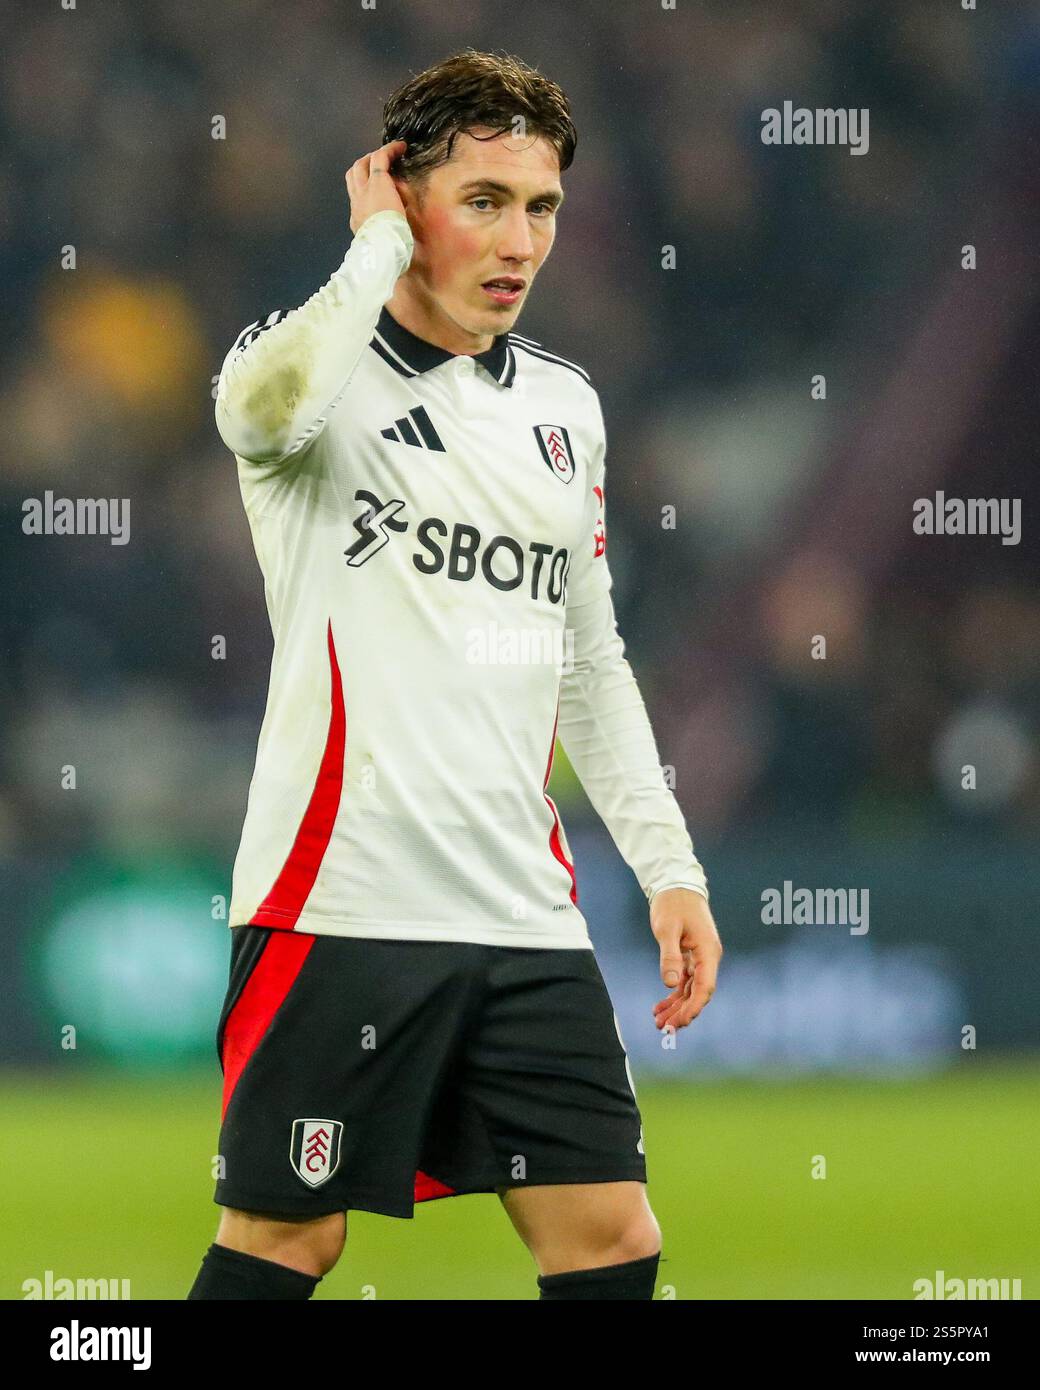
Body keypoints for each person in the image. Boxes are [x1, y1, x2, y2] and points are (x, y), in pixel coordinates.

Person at [188, 48, 722, 1302]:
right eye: (480, 200)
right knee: (285, 1239)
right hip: (341, 899)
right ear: (399, 195)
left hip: (522, 913)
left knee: (610, 1234)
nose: (518, 240)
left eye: (539, 207)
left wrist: (667, 864)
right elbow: (255, 418)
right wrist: (369, 252)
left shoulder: (561, 411)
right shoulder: (310, 375)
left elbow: (586, 655)